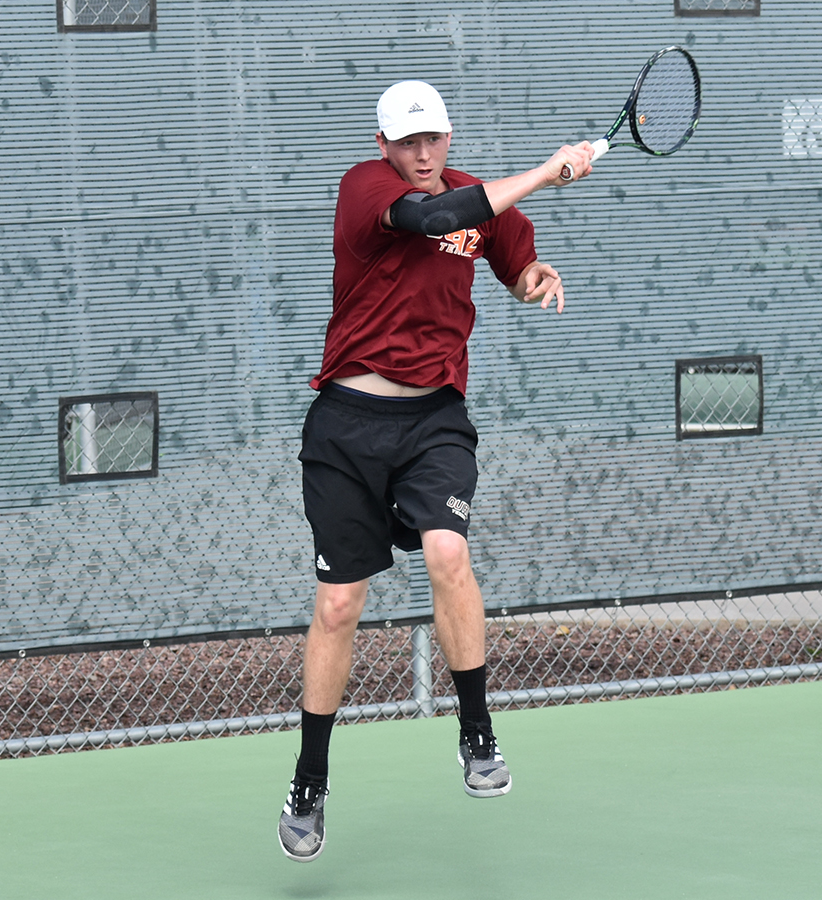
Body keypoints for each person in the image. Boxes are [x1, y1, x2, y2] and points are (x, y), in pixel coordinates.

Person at [277, 80, 595, 862]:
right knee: (338, 605)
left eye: (434, 139)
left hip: (433, 423)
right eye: (407, 142)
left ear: (449, 137)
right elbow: (437, 219)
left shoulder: (480, 198)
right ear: (383, 145)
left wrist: (532, 277)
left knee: (449, 554)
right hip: (346, 426)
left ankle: (476, 732)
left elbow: (513, 263)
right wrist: (546, 171)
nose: (422, 154)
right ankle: (309, 782)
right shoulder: (366, 189)